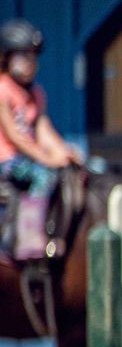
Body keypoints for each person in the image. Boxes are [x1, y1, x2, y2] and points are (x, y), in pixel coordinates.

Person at [0, 18, 83, 260]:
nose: (30, 64)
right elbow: (15, 136)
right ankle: (28, 237)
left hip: (28, 158)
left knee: (79, 172)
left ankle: (57, 235)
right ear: (7, 58)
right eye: (24, 57)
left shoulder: (36, 93)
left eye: (33, 57)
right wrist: (46, 159)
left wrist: (63, 152)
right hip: (7, 159)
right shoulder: (3, 89)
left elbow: (43, 129)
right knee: (43, 176)